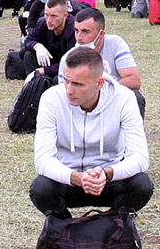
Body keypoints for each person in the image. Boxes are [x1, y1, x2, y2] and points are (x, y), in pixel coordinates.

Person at [30, 47, 152, 218]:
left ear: (99, 83)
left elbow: (140, 158)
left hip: (108, 180)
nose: (69, 90)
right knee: (41, 188)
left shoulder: (124, 98)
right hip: (68, 178)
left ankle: (114, 225)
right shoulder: (51, 99)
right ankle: (65, 229)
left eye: (78, 84)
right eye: (66, 81)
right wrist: (75, 177)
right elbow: (42, 159)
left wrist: (107, 173)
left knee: (141, 185)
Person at [61, 7, 145, 117]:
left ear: (101, 34)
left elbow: (134, 81)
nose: (79, 37)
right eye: (76, 31)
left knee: (135, 96)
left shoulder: (115, 44)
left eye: (86, 31)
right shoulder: (68, 58)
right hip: (83, 107)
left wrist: (99, 93)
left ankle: (132, 133)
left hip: (113, 100)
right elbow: (64, 95)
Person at [22, 0, 76, 78]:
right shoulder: (42, 22)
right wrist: (37, 46)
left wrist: (44, 70)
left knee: (56, 79)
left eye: (54, 16)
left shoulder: (74, 30)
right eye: (46, 15)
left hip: (65, 68)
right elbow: (29, 40)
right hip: (48, 60)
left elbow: (71, 62)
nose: (49, 20)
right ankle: (33, 82)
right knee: (28, 54)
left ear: (65, 16)